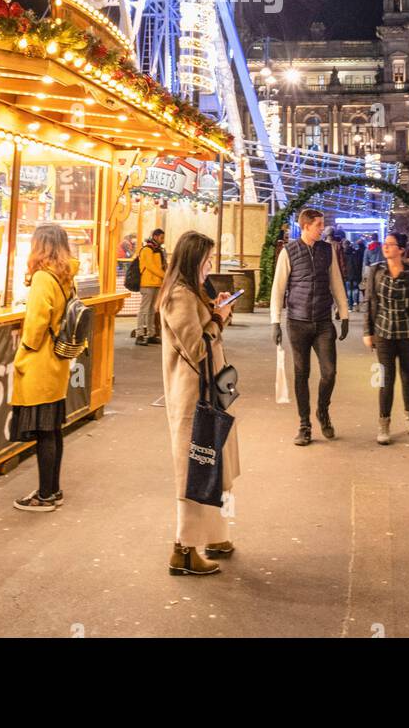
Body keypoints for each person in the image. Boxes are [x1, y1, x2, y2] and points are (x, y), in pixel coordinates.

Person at [159, 231, 240, 575]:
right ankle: (184, 549)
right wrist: (219, 316)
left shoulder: (193, 292)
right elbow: (197, 347)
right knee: (196, 467)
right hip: (194, 397)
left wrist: (217, 309)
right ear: (194, 260)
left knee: (213, 464)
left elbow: (208, 332)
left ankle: (215, 535)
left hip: (210, 392)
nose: (211, 264)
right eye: (207, 258)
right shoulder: (178, 295)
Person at [270, 207, 349, 445]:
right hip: (298, 322)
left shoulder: (328, 250)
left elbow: (336, 281)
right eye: (318, 225)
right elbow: (278, 288)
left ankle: (322, 411)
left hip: (324, 321)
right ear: (306, 226)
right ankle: (304, 425)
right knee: (301, 374)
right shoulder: (289, 251)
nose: (322, 229)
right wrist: (275, 321)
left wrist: (344, 314)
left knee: (329, 372)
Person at [10, 224, 76, 512]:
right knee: (54, 430)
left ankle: (45, 495)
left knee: (44, 433)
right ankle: (53, 489)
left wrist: (23, 352)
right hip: (57, 362)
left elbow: (36, 322)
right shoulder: (65, 275)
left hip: (39, 362)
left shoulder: (41, 277)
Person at [363, 231, 409, 443]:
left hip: (407, 332)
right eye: (385, 244)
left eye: (391, 245)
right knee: (385, 379)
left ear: (401, 249)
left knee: (407, 376)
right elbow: (370, 302)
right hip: (383, 332)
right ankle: (384, 423)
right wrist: (368, 331)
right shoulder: (376, 271)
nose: (386, 247)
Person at [134, 228, 166, 345]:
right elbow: (151, 266)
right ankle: (139, 334)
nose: (163, 240)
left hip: (156, 283)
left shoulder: (157, 250)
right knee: (144, 310)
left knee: (152, 310)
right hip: (147, 283)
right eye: (161, 237)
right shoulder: (147, 249)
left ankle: (151, 334)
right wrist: (165, 275)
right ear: (155, 236)